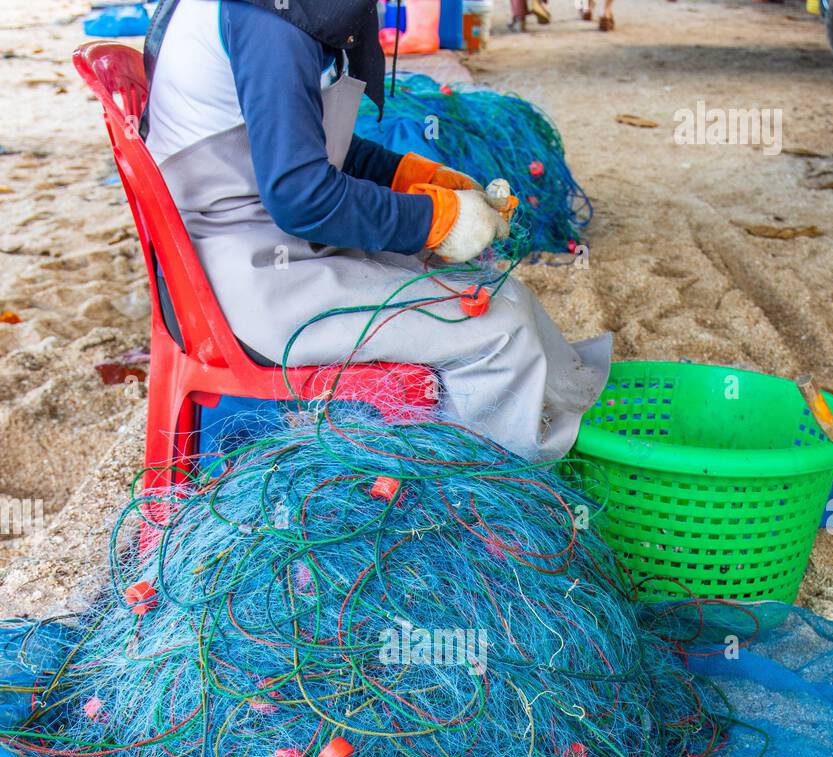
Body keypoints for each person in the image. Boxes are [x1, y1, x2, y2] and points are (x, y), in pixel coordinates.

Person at [143, 0, 609, 462]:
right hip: (244, 283)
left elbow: (307, 144)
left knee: (495, 291)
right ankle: (491, 513)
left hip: (273, 245)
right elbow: (300, 196)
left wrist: (409, 174)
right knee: (498, 331)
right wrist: (436, 220)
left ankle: (577, 432)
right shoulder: (270, 20)